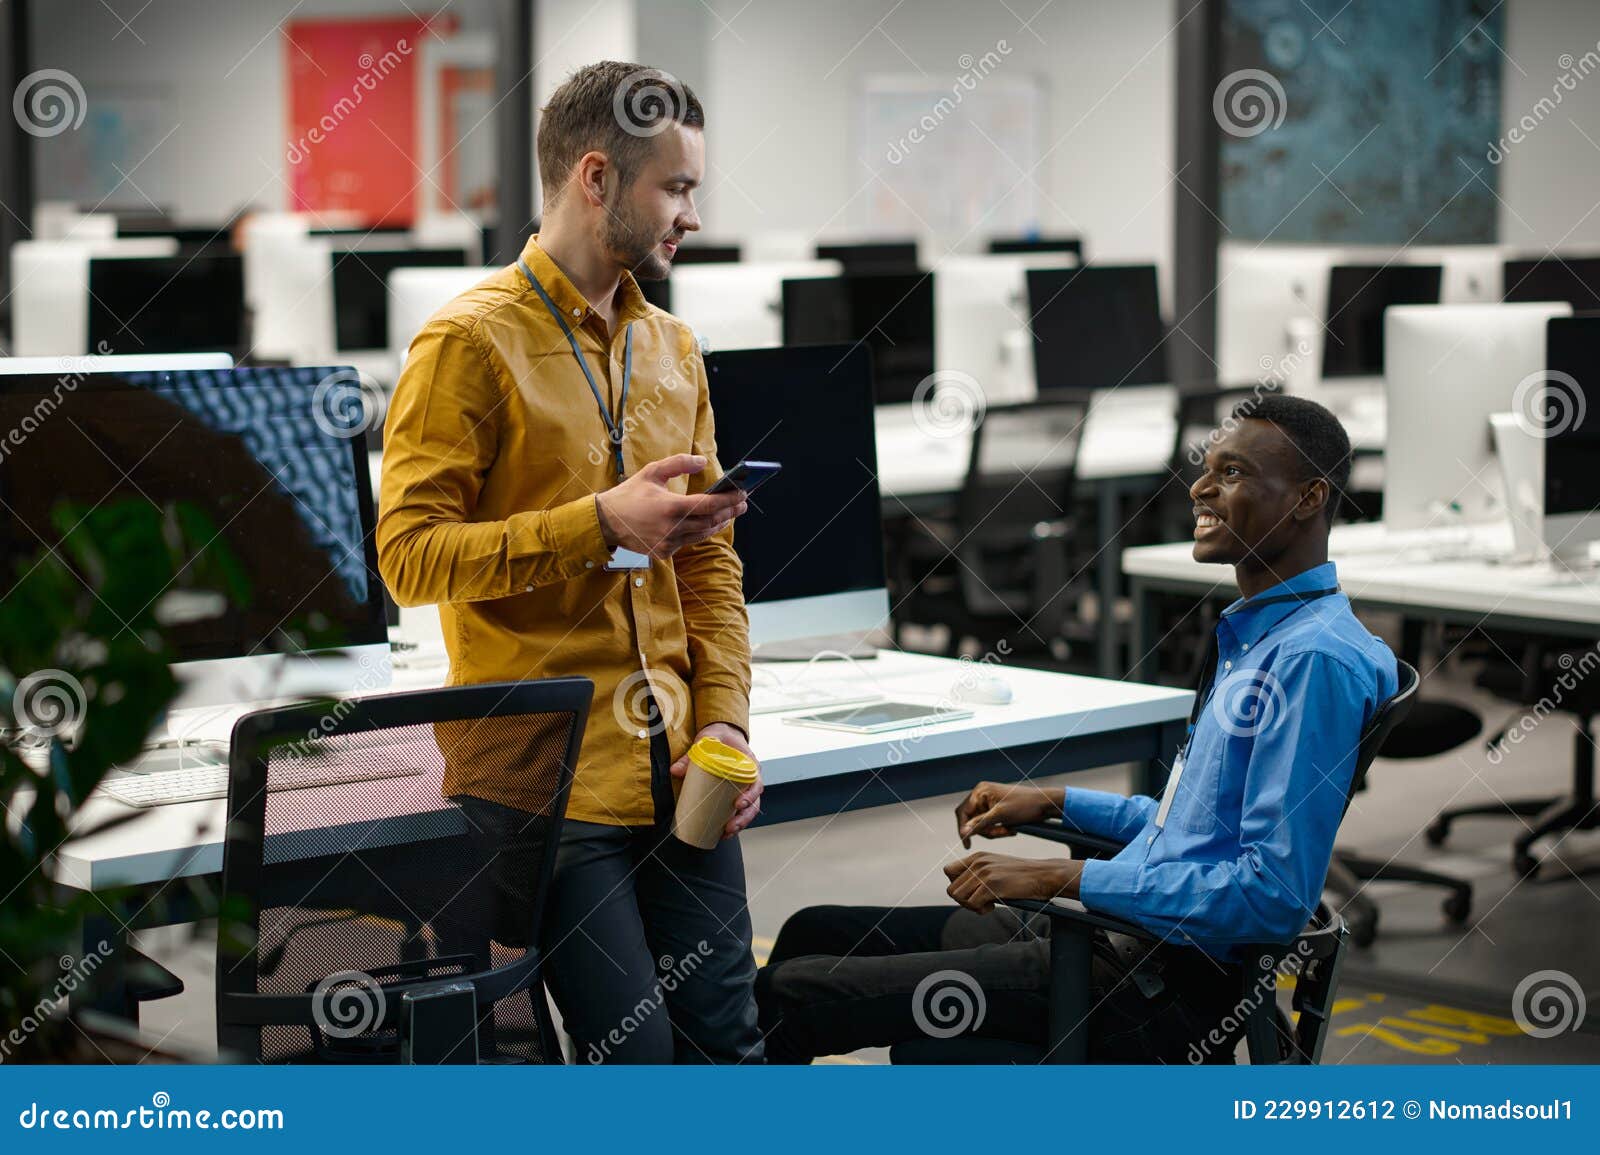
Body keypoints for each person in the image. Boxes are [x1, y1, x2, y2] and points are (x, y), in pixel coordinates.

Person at [755, 394, 1399, 1063]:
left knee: (795, 996)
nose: (1201, 488)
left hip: (1150, 986)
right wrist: (1058, 802)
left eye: (1232, 473)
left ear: (1307, 498)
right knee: (811, 930)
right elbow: (1197, 828)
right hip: (1117, 933)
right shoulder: (1267, 635)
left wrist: (1055, 879)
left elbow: (1269, 895)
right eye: (1207, 468)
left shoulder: (1310, 661)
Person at [377, 61, 765, 1064]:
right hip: (545, 784)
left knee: (729, 1043)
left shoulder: (673, 348)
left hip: (680, 765)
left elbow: (709, 566)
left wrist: (725, 718)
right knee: (637, 1065)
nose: (690, 214)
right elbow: (409, 560)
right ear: (596, 177)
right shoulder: (466, 342)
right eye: (675, 188)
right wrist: (596, 524)